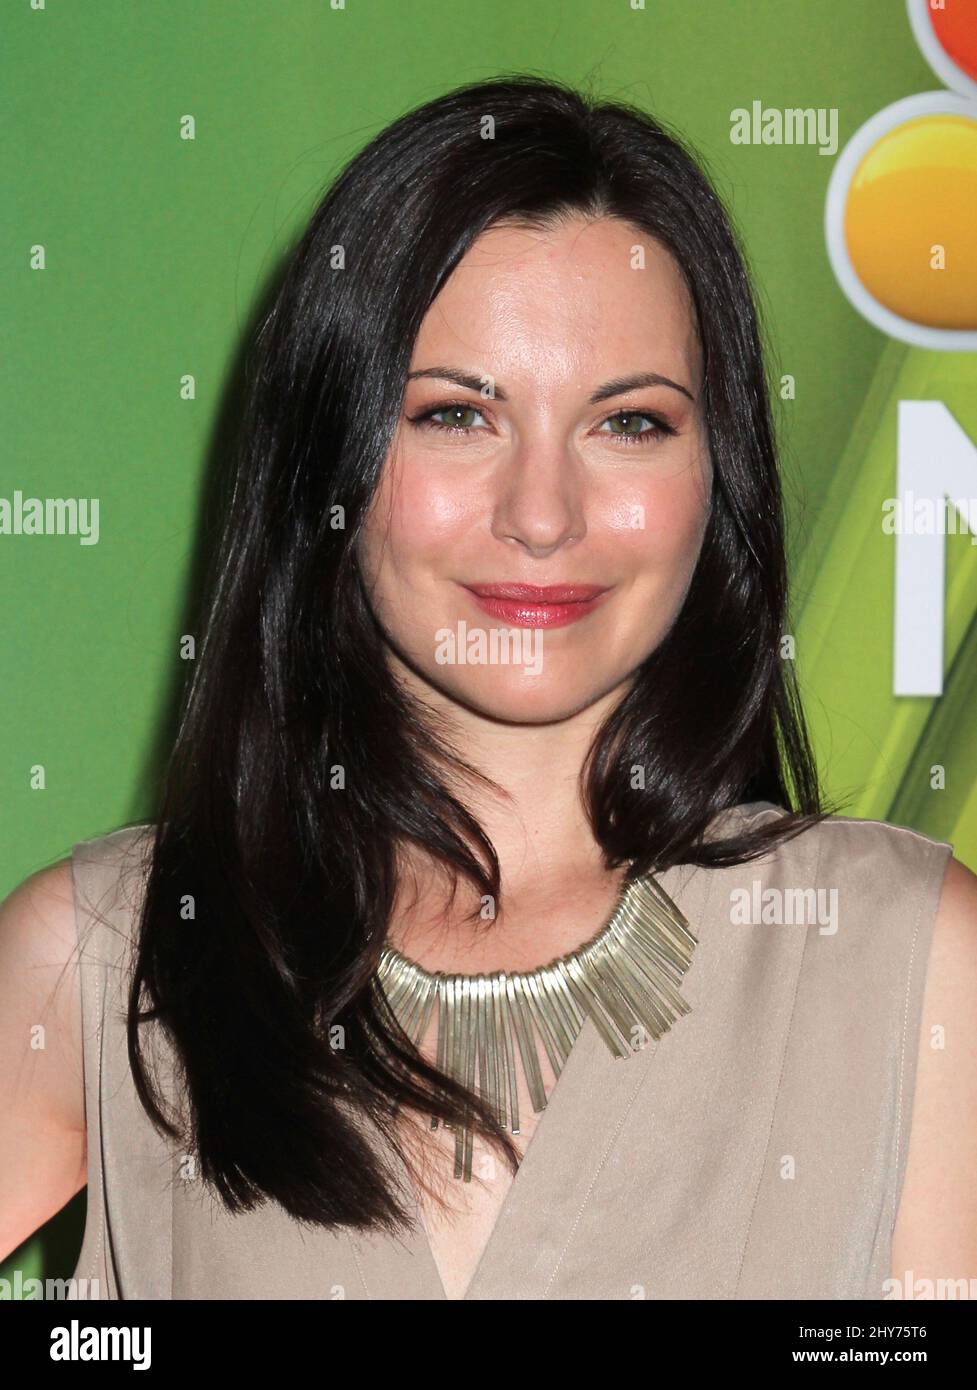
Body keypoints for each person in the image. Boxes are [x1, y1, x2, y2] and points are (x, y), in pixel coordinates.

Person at [2, 75, 976, 1302]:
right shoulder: (102, 962)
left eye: (628, 424)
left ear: (715, 477)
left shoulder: (906, 961)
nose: (540, 515)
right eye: (457, 414)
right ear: (331, 457)